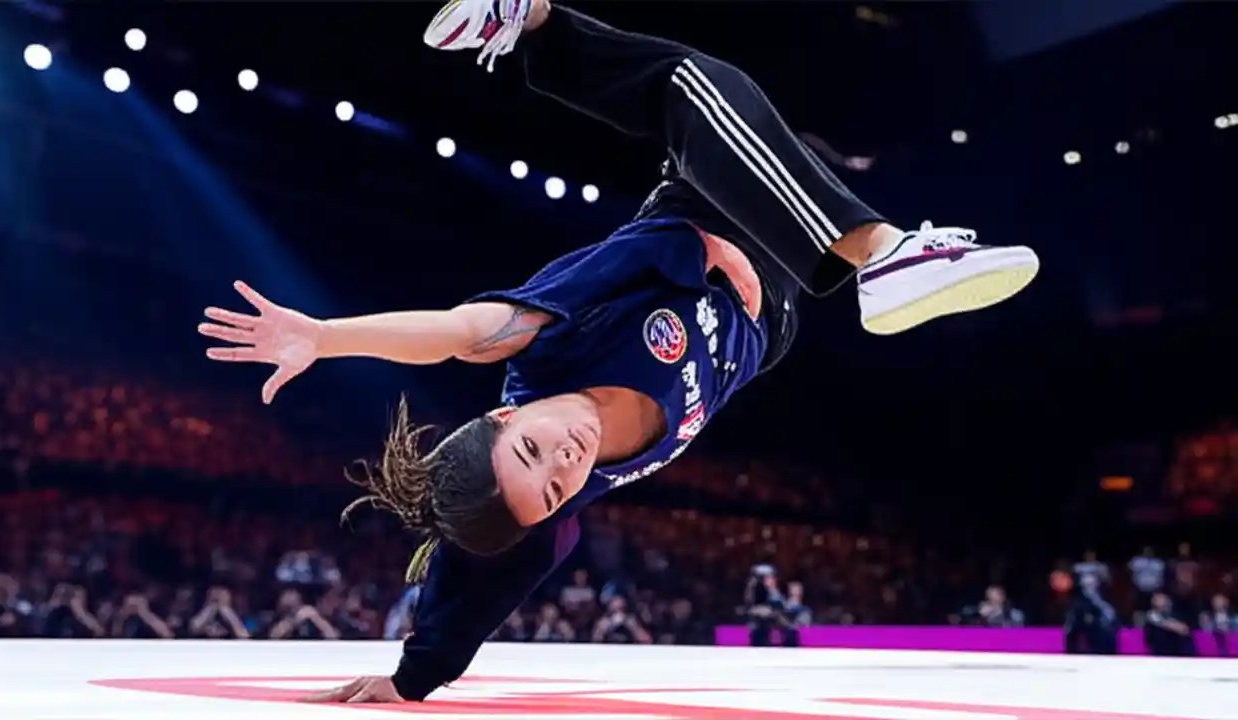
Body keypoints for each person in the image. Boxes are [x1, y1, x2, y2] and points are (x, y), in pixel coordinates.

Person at [199, 0, 1039, 704]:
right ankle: (533, 24)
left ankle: (534, 22)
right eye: (555, 482)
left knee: (695, 89)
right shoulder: (546, 520)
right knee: (766, 134)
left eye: (533, 447)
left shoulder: (555, 341)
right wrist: (413, 681)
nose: (564, 458)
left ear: (507, 410)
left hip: (704, 224)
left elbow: (459, 332)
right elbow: (476, 579)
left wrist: (325, 338)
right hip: (768, 317)